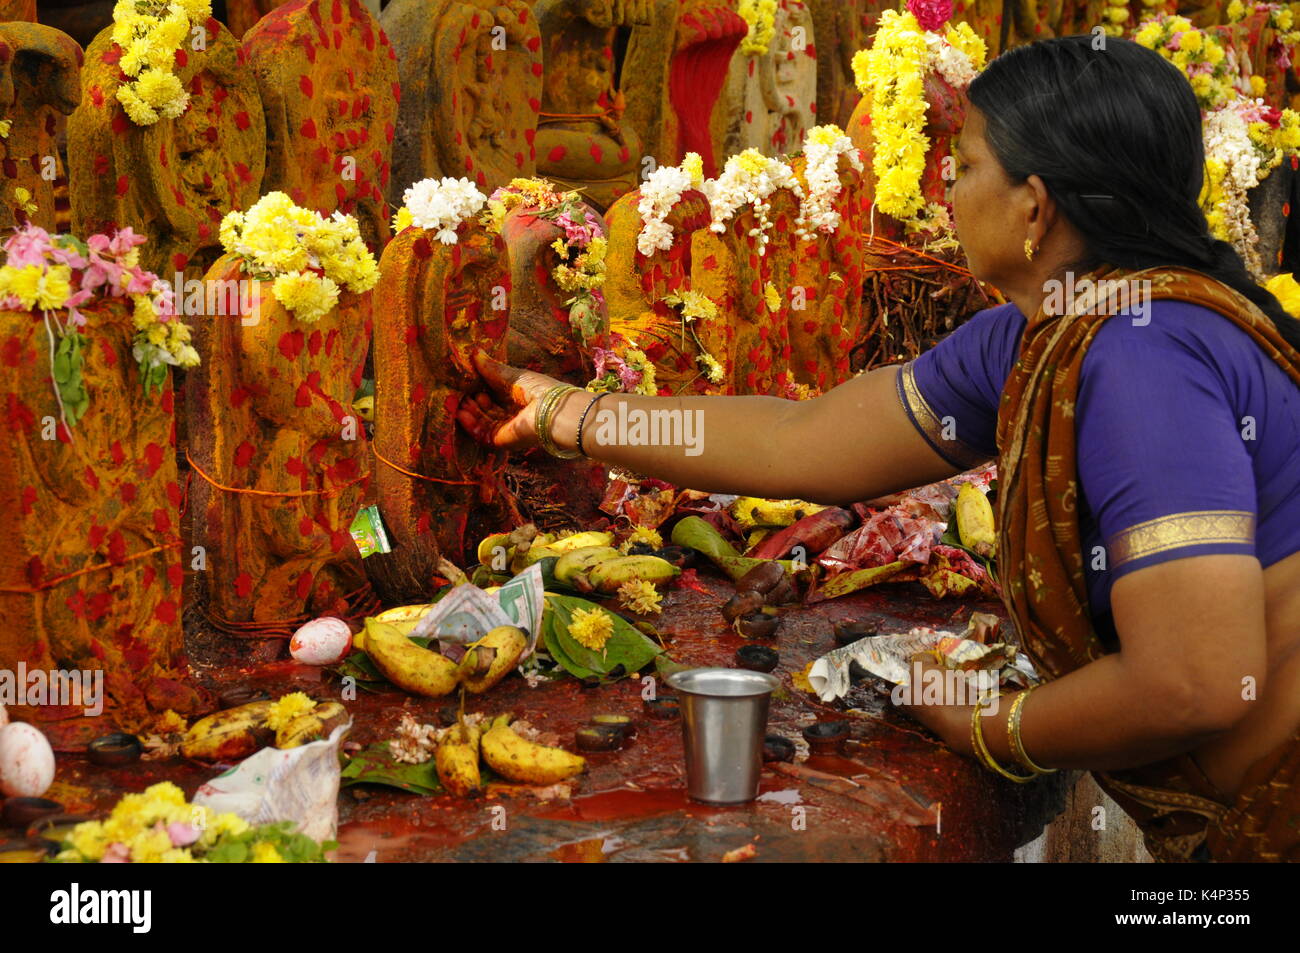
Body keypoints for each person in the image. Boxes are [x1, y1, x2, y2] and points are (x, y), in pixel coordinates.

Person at [457, 37, 1300, 862]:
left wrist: (990, 723)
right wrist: (579, 417)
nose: (947, 185)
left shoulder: (1143, 356)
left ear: (1035, 206)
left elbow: (1199, 675)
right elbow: (801, 442)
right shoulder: (1043, 333)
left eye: (965, 165)